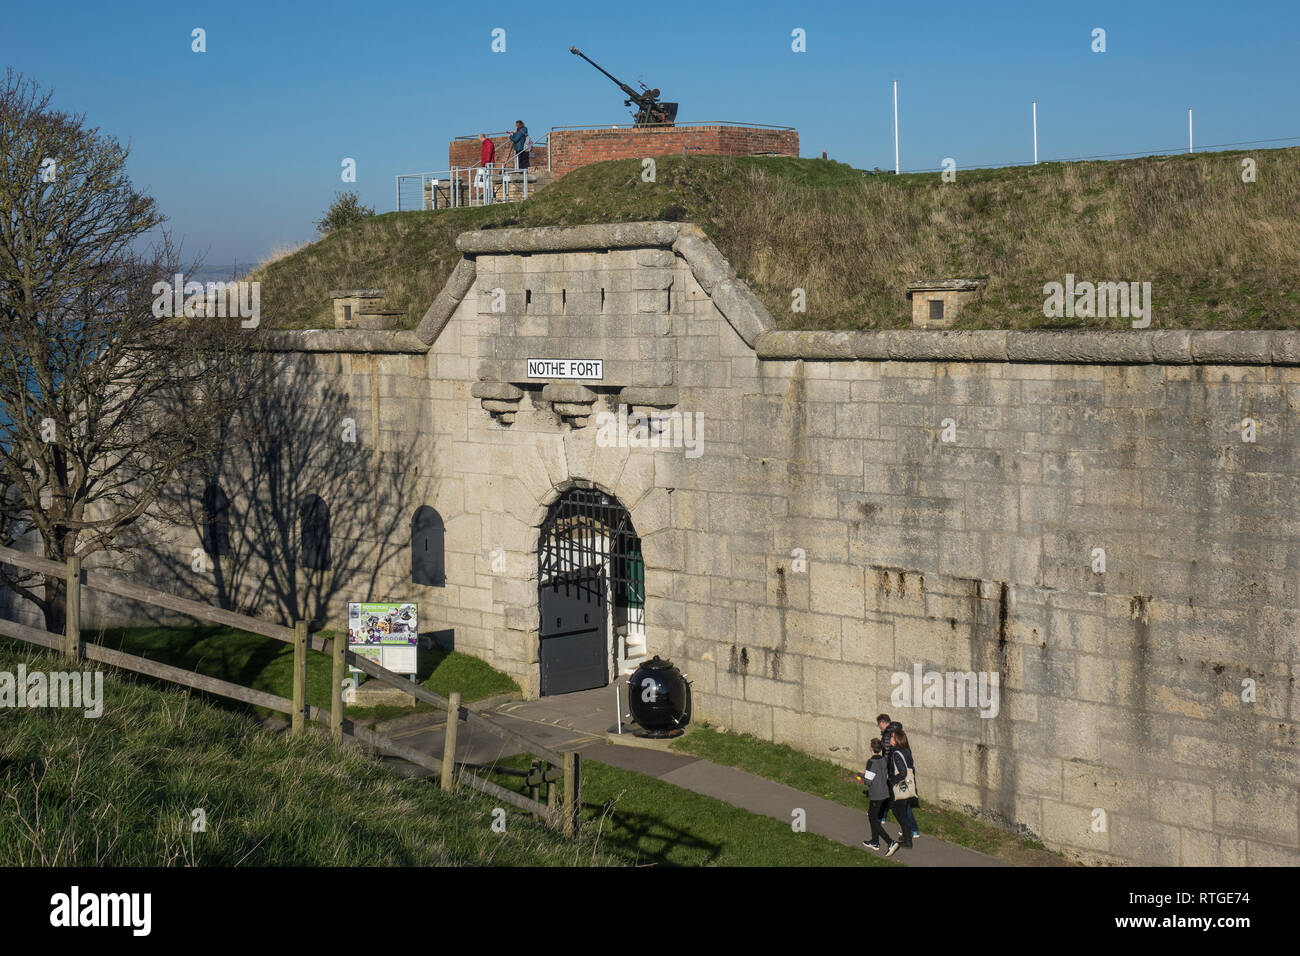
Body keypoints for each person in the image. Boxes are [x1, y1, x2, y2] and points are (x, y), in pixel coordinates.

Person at [859, 738, 900, 856]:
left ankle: (890, 842)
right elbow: (882, 775)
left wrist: (862, 776)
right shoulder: (883, 759)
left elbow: (868, 781)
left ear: (871, 748)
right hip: (884, 793)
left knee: (873, 819)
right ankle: (875, 842)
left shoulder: (871, 762)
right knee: (873, 817)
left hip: (876, 795)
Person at [889, 729, 919, 846]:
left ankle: (908, 841)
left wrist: (892, 781)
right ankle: (906, 836)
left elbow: (902, 773)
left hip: (901, 787)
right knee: (901, 812)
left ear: (897, 740)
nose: (890, 739)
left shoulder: (896, 753)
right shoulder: (906, 751)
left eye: (892, 737)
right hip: (908, 785)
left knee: (899, 813)